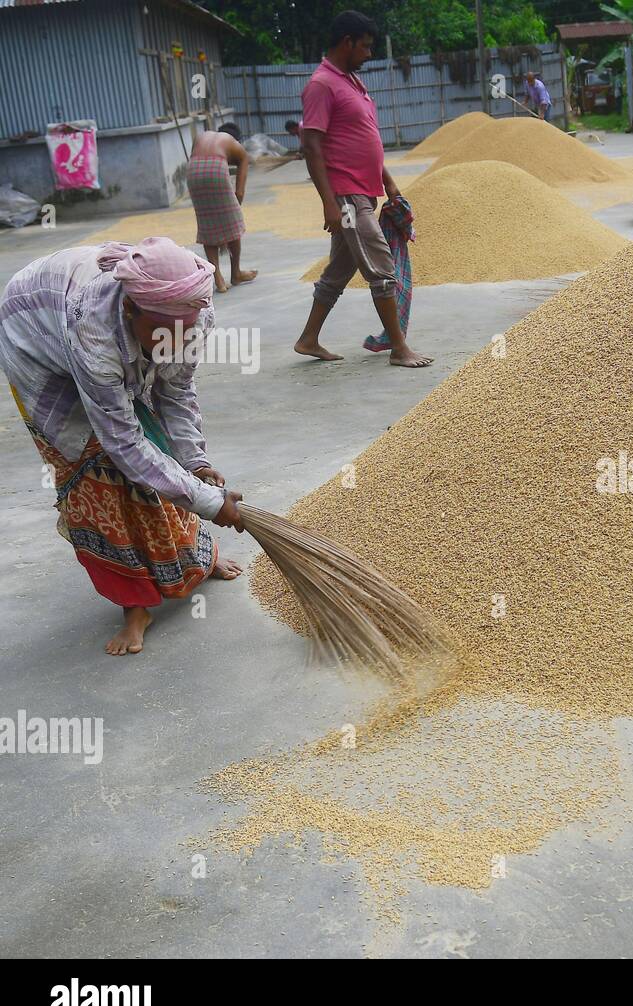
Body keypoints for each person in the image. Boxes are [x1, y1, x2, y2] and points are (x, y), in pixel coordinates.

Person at [0, 238, 246, 656]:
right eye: (160, 331)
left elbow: (176, 391)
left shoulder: (192, 309)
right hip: (37, 344)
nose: (173, 341)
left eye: (181, 331)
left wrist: (196, 465)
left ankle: (197, 562)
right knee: (97, 474)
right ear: (129, 309)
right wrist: (208, 502)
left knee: (167, 463)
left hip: (96, 334)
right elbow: (124, 444)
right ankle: (134, 604)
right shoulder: (92, 330)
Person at [292, 10, 430, 367]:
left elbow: (363, 138)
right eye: (365, 47)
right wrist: (329, 203)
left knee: (338, 271)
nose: (369, 54)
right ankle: (399, 348)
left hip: (363, 192)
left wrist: (389, 182)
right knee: (382, 267)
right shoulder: (321, 85)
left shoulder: (352, 82)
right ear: (347, 43)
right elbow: (311, 146)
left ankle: (308, 339)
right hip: (346, 197)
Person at [186, 125, 256, 293]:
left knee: (207, 225)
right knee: (234, 225)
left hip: (193, 171)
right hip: (215, 169)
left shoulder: (201, 137)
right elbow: (239, 190)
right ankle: (236, 273)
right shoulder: (237, 147)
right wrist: (235, 206)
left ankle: (218, 280)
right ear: (237, 140)